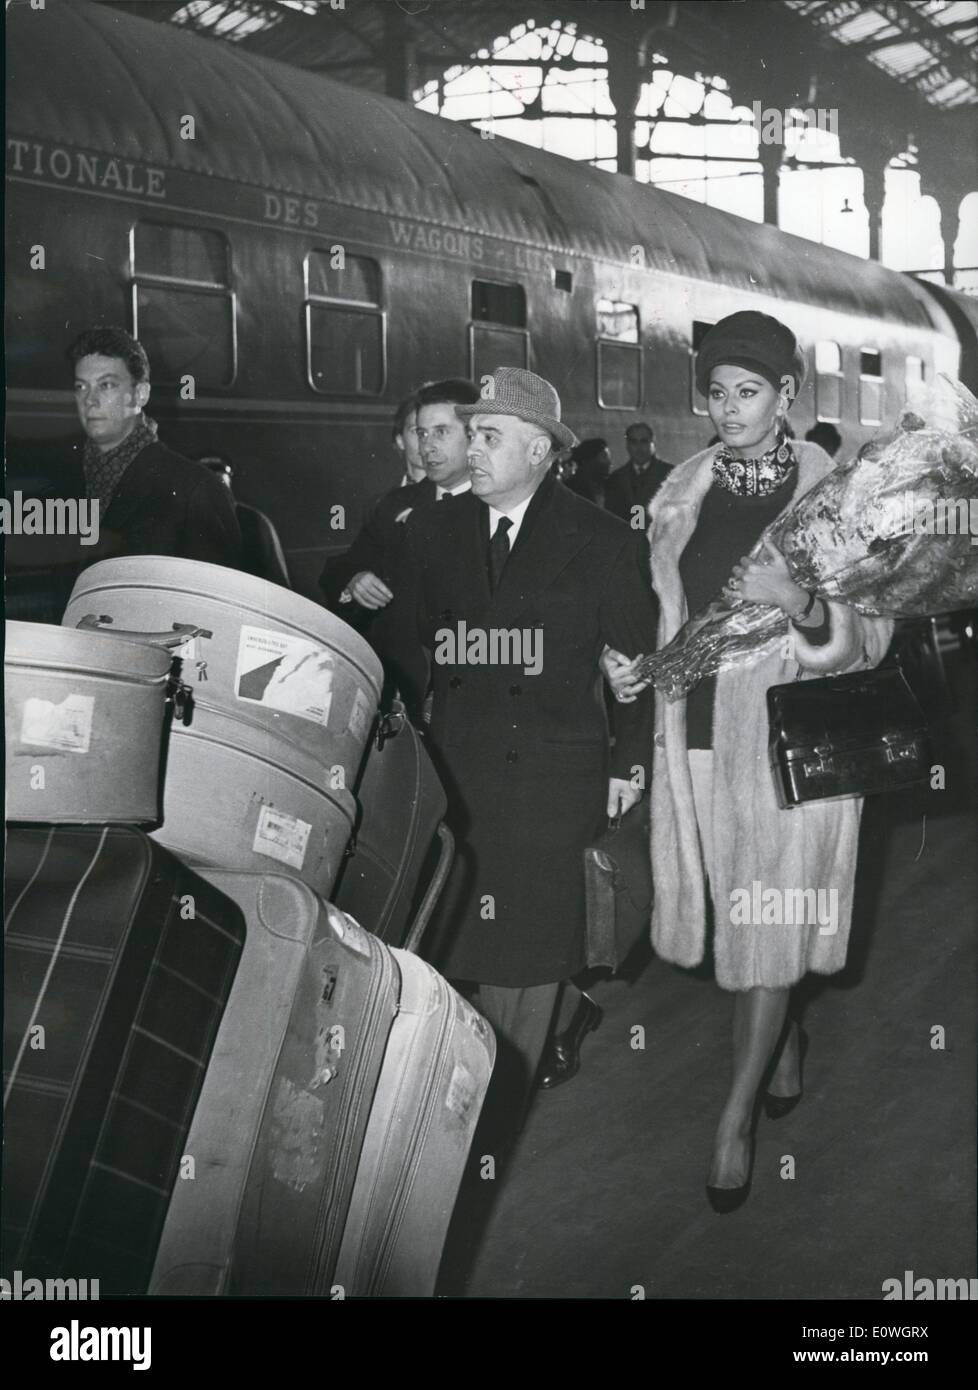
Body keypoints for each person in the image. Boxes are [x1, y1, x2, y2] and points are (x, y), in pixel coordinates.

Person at [607, 311, 892, 1211]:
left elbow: (874, 637)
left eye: (750, 391)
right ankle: (785, 1029)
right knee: (743, 918)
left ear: (787, 397)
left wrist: (801, 602)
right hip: (693, 733)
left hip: (786, 735)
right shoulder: (677, 495)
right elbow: (667, 618)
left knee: (765, 934)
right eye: (718, 392)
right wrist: (635, 671)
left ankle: (733, 1123)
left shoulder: (833, 495)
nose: (730, 408)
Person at [380, 367, 657, 1137]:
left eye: (489, 435)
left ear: (540, 450)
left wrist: (629, 769)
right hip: (458, 772)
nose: (472, 449)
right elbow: (409, 651)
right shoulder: (433, 531)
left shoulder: (603, 542)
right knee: (463, 942)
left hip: (555, 777)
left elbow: (640, 672)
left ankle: (490, 1122)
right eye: (469, 434)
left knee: (530, 954)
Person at [67, 327, 242, 569]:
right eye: (81, 387)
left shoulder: (195, 491)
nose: (89, 400)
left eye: (106, 385)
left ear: (140, 394)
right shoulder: (67, 479)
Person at [319, 380, 479, 630]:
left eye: (441, 432)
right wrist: (355, 580)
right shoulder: (395, 504)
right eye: (422, 433)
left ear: (474, 436)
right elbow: (340, 568)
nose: (427, 446)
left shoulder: (503, 506)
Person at [604, 421, 672, 522]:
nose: (639, 447)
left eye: (644, 441)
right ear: (627, 445)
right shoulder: (616, 478)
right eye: (633, 442)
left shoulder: (671, 474)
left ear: (653, 443)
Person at [563, 438, 612, 507]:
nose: (609, 462)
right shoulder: (569, 489)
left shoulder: (609, 487)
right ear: (588, 460)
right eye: (604, 456)